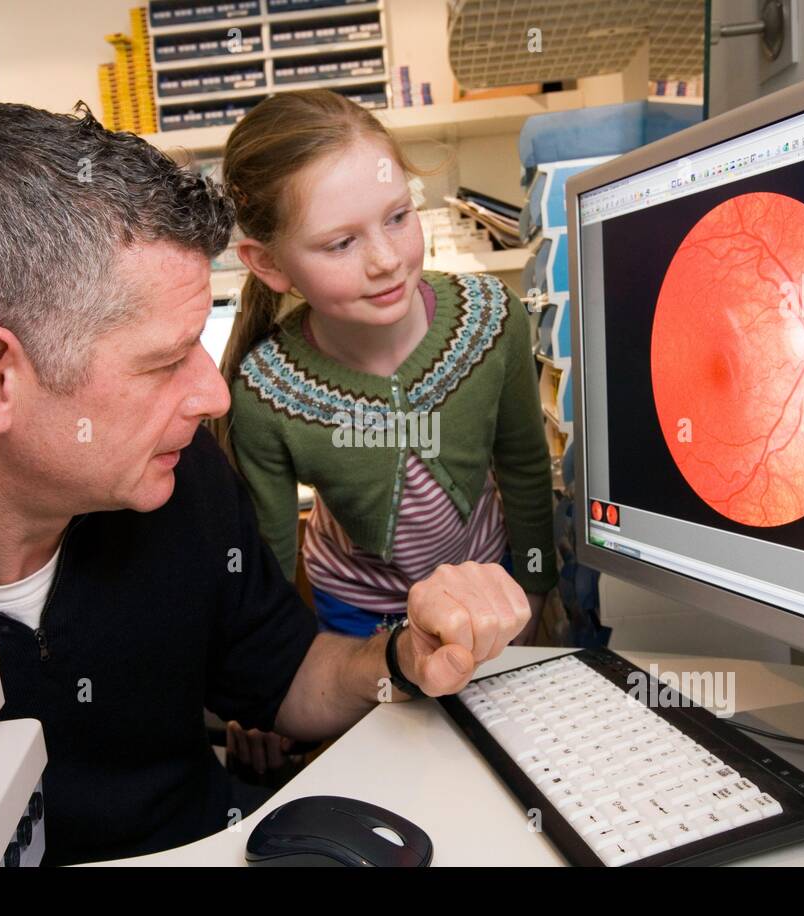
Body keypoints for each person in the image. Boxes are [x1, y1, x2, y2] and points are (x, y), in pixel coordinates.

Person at [0, 100, 529, 866]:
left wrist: (401, 655)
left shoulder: (178, 472)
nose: (213, 397)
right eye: (165, 363)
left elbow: (288, 678)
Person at [213, 91, 557, 762]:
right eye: (340, 243)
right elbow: (273, 562)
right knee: (397, 768)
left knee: (500, 761)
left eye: (398, 216)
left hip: (491, 589)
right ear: (269, 263)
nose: (386, 260)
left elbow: (523, 464)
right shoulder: (264, 393)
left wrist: (540, 590)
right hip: (356, 621)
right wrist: (262, 687)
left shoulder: (492, 321)